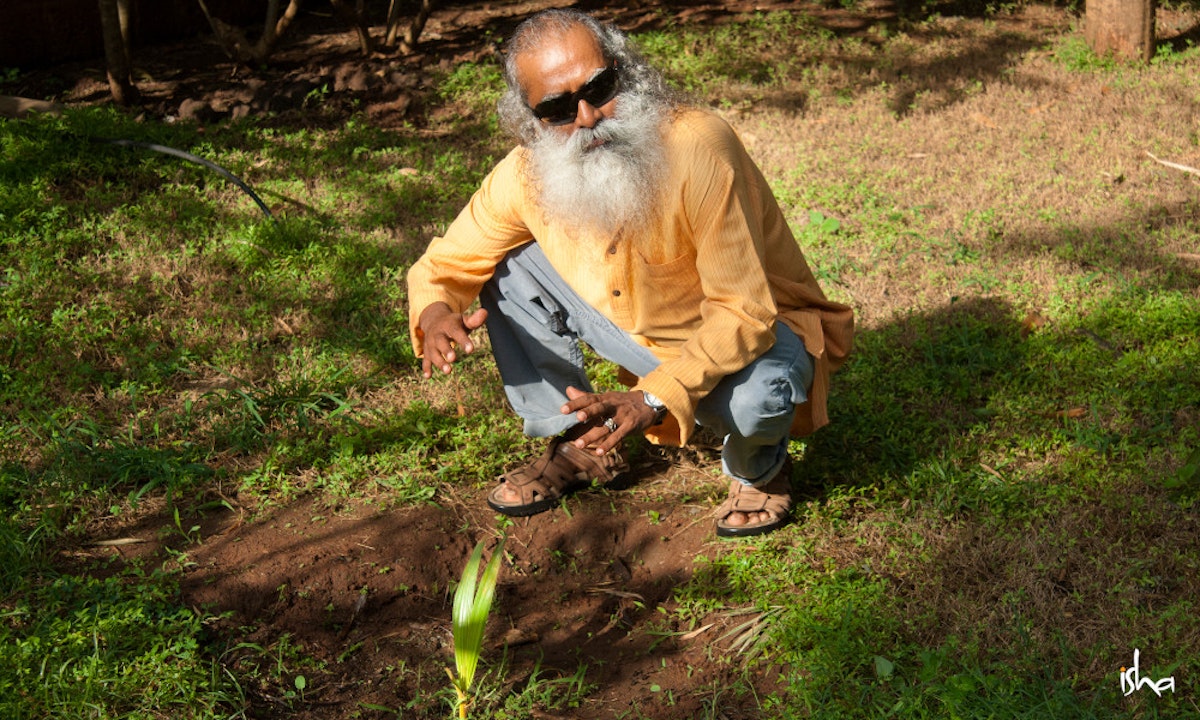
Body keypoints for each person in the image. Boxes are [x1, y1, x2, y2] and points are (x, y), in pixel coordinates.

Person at [407, 9, 853, 537]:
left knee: (761, 397)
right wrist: (436, 312)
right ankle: (585, 441)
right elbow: (445, 262)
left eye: (599, 87)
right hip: (636, 336)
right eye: (556, 108)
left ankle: (760, 469)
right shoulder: (525, 177)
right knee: (506, 271)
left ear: (625, 70)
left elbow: (744, 312)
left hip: (755, 339)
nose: (588, 117)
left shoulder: (699, 146)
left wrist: (650, 397)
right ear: (532, 121)